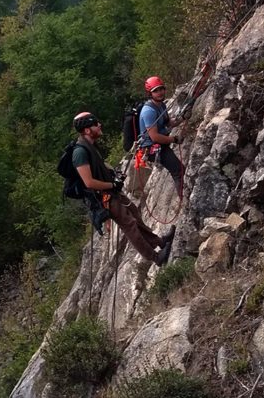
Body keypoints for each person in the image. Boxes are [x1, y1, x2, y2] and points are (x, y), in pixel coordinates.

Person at [72, 111, 172, 264]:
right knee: (129, 225)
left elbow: (100, 166)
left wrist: (114, 175)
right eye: (95, 124)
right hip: (104, 197)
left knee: (134, 214)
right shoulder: (79, 152)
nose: (99, 125)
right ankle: (156, 257)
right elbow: (89, 182)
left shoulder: (91, 146)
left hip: (112, 191)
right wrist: (112, 184)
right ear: (87, 130)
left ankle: (159, 242)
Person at [137, 75, 185, 201]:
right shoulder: (149, 111)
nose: (159, 93)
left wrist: (182, 118)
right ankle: (185, 201)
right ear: (150, 93)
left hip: (159, 144)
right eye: (155, 91)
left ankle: (185, 198)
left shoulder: (161, 105)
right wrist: (174, 139)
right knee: (178, 171)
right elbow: (155, 137)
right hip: (152, 147)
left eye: (161, 89)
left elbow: (168, 122)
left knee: (179, 170)